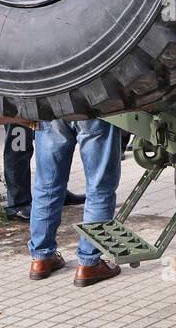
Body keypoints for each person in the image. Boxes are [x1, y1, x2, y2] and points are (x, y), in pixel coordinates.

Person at [27, 119, 122, 286]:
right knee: (99, 188)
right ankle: (89, 263)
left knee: (47, 186)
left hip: (49, 104)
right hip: (93, 105)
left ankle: (41, 259)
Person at [3, 123, 84, 221]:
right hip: (16, 110)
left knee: (50, 141)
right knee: (19, 143)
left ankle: (56, 192)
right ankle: (18, 204)